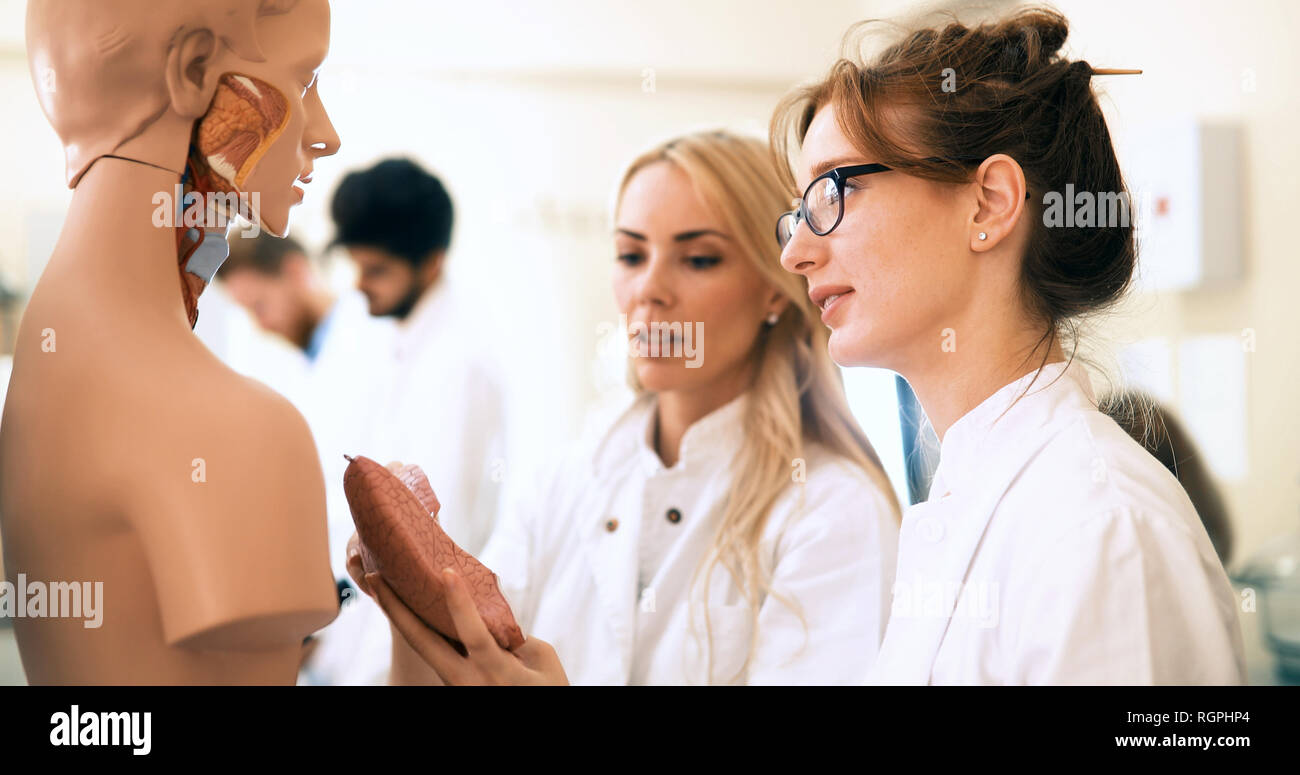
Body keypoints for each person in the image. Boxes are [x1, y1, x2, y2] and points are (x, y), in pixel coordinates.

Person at [771, 7, 1245, 684]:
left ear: (989, 203)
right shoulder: (970, 502)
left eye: (833, 190)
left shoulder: (1104, 531)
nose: (796, 251)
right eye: (799, 210)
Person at [350, 130, 901, 685]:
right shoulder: (564, 482)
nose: (649, 290)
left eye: (700, 258)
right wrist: (411, 590)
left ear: (775, 286)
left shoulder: (833, 508)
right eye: (631, 255)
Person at [320, 158, 508, 684]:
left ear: (431, 264)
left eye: (376, 269)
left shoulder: (457, 365)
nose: (359, 284)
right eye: (355, 265)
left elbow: (427, 557)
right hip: (362, 646)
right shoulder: (401, 344)